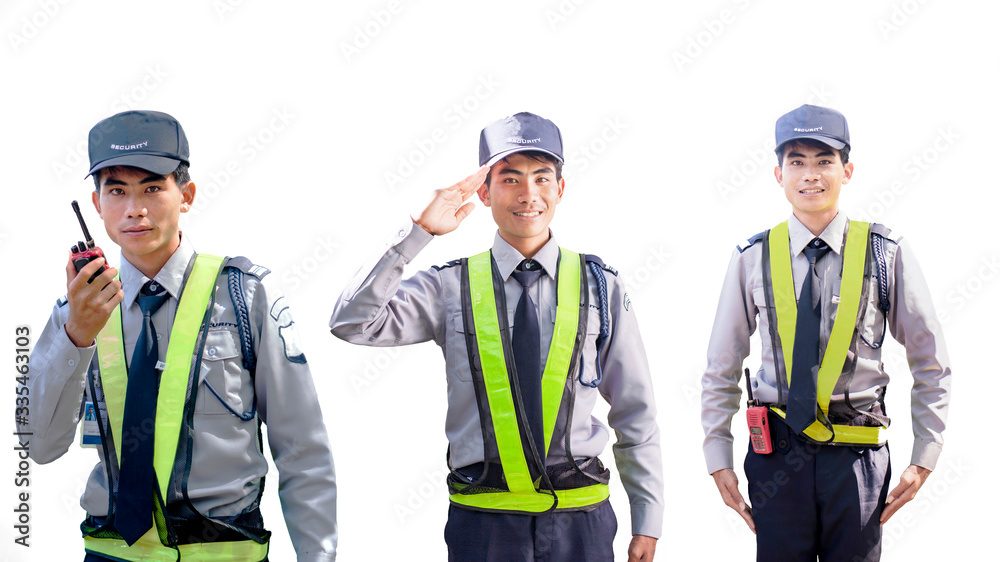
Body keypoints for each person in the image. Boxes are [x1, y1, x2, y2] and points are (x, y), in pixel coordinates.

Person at [330, 112, 663, 561]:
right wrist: (417, 234)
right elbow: (352, 323)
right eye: (510, 179)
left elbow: (635, 409)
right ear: (484, 192)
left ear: (560, 189)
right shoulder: (448, 286)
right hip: (483, 526)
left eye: (542, 178)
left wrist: (648, 516)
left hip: (580, 524)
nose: (528, 195)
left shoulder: (599, 286)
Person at [24, 110, 338, 561]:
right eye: (116, 190)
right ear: (96, 206)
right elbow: (39, 446)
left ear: (186, 194)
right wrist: (76, 337)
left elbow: (301, 446)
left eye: (152, 187)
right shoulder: (77, 311)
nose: (134, 208)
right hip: (110, 553)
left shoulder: (245, 295)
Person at [700, 104, 951, 561]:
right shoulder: (752, 256)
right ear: (778, 174)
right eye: (796, 161)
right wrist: (718, 454)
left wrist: (924, 455)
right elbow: (721, 366)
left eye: (824, 161)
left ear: (847, 170)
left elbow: (930, 359)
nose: (810, 175)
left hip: (856, 460)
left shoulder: (883, 252)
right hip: (776, 456)